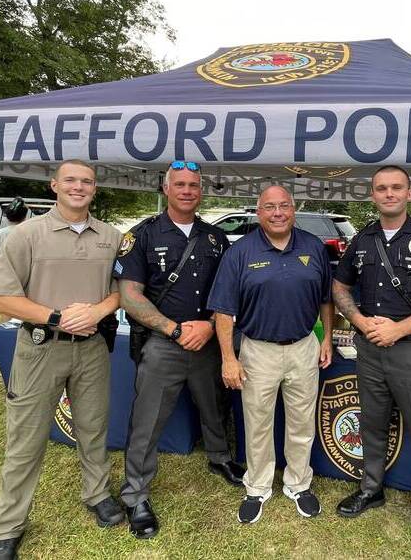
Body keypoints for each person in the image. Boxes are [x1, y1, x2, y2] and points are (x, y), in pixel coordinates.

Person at [0, 160, 126, 560]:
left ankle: (97, 495)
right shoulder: (26, 234)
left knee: (93, 427)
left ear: (95, 189)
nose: (79, 187)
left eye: (87, 182)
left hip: (93, 348)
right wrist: (57, 316)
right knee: (25, 437)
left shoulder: (111, 237)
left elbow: (122, 290)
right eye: (71, 181)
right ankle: (8, 527)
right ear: (54, 186)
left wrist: (98, 311)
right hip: (41, 346)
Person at [331, 166, 411, 557]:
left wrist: (398, 329)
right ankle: (371, 490)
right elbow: (340, 285)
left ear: (410, 193)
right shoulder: (362, 239)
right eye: (381, 188)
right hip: (369, 351)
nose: (388, 194)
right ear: (372, 195)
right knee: (372, 424)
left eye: (396, 188)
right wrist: (357, 320)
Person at [113, 161, 246, 539]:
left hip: (207, 340)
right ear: (166, 188)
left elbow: (229, 291)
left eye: (194, 185)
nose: (188, 191)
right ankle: (136, 494)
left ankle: (220, 459)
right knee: (147, 420)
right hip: (162, 344)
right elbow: (129, 295)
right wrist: (173, 330)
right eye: (180, 185)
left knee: (215, 406)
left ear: (200, 191)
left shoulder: (216, 239)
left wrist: (207, 327)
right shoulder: (141, 236)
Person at [207, 185, 334, 525]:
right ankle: (258, 486)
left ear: (294, 209)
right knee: (258, 422)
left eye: (284, 206)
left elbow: (326, 299)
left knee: (302, 422)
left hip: (303, 347)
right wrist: (228, 358)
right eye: (269, 207)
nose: (277, 213)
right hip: (257, 350)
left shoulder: (314, 247)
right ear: (258, 212)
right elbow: (222, 310)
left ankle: (298, 484)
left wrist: (327, 338)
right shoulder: (240, 252)